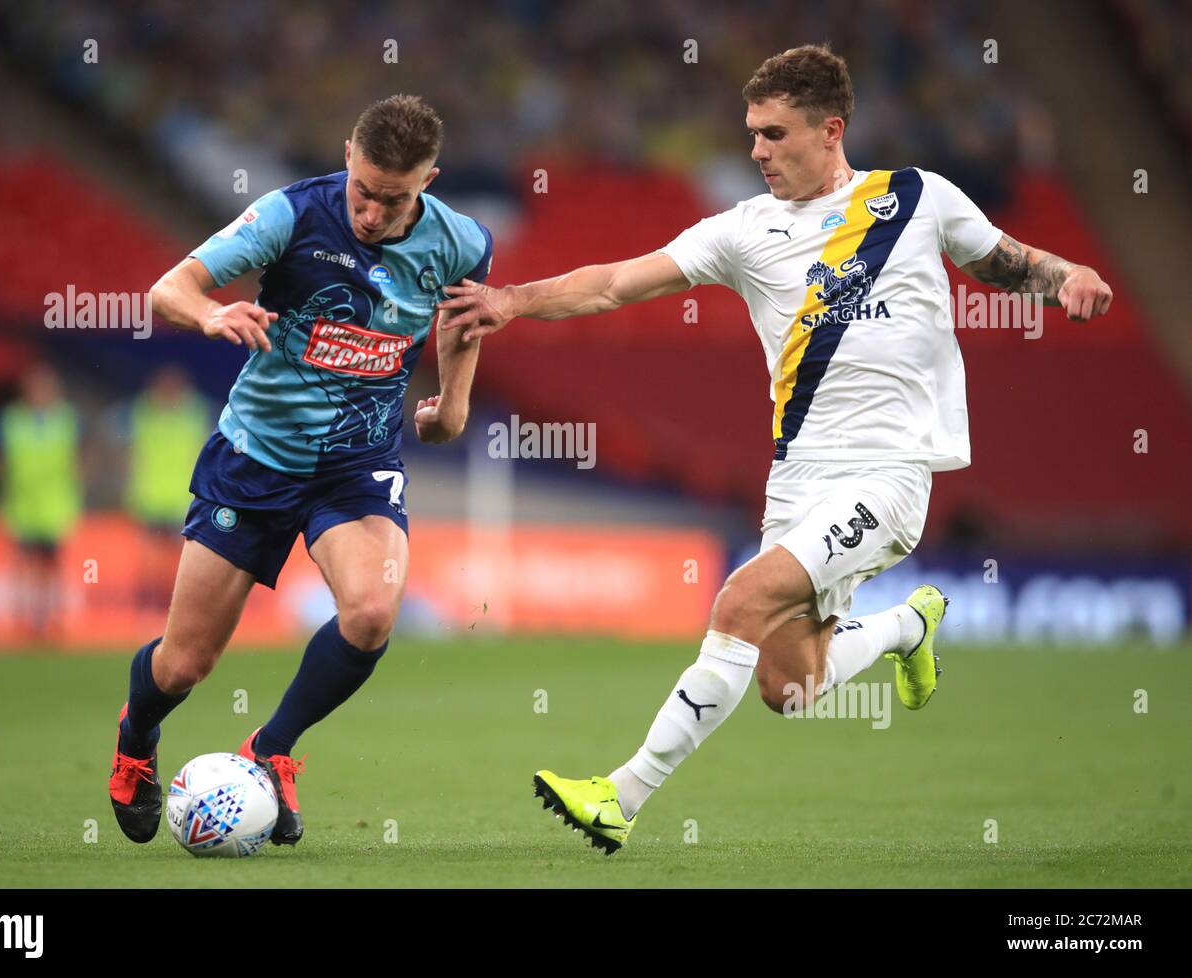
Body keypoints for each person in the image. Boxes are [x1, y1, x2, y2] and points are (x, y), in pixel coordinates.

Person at [436, 44, 1112, 853]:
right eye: (751, 133)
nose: (756, 150)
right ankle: (907, 628)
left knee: (737, 604)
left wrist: (1065, 272)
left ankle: (620, 794)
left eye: (773, 133)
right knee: (789, 687)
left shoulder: (915, 198)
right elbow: (617, 282)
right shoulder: (742, 231)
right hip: (798, 479)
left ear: (830, 131)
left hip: (889, 472)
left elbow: (1003, 261)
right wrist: (512, 299)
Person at [108, 94, 492, 847]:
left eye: (395, 199)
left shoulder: (463, 241)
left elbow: (463, 318)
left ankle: (271, 749)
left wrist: (453, 405)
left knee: (373, 613)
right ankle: (135, 741)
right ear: (348, 154)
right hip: (254, 458)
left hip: (357, 465)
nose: (373, 214)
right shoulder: (289, 214)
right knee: (185, 663)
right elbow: (169, 288)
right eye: (363, 191)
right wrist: (213, 314)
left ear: (429, 181)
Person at [0, 361, 83, 642]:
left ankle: (52, 619)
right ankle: (24, 620)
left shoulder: (67, 418)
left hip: (55, 505)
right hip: (22, 505)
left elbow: (77, 458)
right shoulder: (9, 420)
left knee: (53, 566)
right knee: (25, 565)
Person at [123, 366, 212, 615]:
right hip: (150, 497)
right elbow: (130, 454)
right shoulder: (143, 413)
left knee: (180, 560)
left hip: (181, 497)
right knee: (150, 560)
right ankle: (149, 608)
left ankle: (175, 608)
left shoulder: (194, 413)